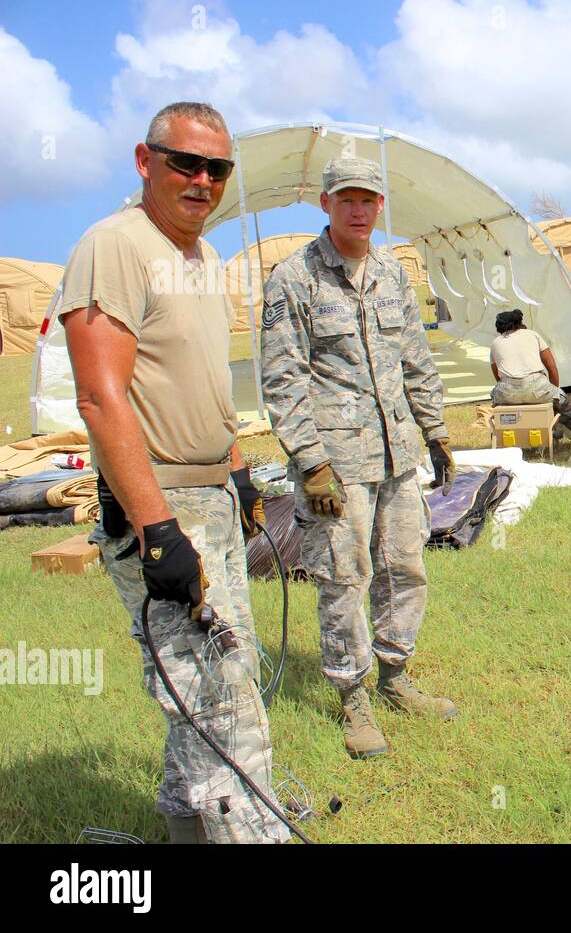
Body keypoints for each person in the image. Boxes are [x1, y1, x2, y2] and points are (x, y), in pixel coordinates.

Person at [61, 101, 287, 843]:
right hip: (162, 502)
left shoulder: (204, 257)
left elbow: (198, 378)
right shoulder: (115, 245)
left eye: (217, 168)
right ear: (144, 160)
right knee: (219, 700)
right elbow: (101, 396)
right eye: (183, 163)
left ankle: (186, 831)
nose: (202, 180)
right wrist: (157, 528)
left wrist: (237, 472)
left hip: (212, 493)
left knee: (219, 677)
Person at [260, 157, 457, 760]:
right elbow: (282, 377)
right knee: (343, 578)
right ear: (325, 204)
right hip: (337, 465)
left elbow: (415, 359)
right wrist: (311, 463)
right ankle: (353, 697)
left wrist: (436, 431)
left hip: (397, 454)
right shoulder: (293, 278)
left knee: (404, 568)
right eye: (346, 198)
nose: (359, 209)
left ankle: (396, 676)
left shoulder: (393, 274)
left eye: (369, 199)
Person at [489, 308, 571, 434]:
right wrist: (553, 392)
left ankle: (506, 433)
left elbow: (497, 376)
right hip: (537, 388)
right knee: (562, 400)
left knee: (494, 394)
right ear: (519, 323)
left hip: (507, 392)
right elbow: (551, 367)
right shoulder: (532, 335)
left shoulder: (495, 343)